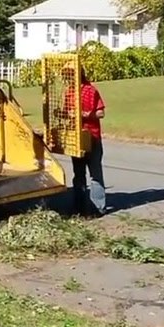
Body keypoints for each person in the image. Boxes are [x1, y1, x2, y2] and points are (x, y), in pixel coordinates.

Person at [62, 63, 106, 217]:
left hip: (91, 136)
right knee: (78, 174)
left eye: (69, 73)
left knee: (95, 173)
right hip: (76, 137)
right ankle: (78, 208)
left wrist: (87, 114)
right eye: (66, 74)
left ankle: (98, 208)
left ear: (78, 73)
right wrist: (62, 114)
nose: (67, 77)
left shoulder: (90, 90)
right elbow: (66, 113)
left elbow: (101, 113)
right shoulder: (69, 92)